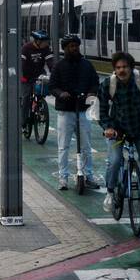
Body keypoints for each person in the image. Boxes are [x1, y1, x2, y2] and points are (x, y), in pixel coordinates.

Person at [99, 51, 140, 212]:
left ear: (131, 67)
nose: (121, 70)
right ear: (114, 69)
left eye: (125, 67)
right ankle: (110, 193)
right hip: (117, 131)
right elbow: (101, 109)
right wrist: (107, 127)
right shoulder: (108, 83)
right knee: (114, 162)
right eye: (118, 67)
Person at [48, 33, 101, 191]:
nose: (74, 48)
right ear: (65, 48)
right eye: (71, 46)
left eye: (76, 46)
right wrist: (61, 93)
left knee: (86, 146)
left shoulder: (87, 65)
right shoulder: (59, 66)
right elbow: (52, 86)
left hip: (83, 111)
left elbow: (95, 82)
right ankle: (63, 178)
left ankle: (88, 175)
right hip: (66, 111)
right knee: (63, 146)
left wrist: (91, 93)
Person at [21, 29, 52, 133]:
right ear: (37, 41)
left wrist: (54, 74)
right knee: (26, 97)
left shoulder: (46, 49)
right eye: (45, 42)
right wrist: (22, 76)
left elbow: (51, 62)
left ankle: (39, 108)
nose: (47, 43)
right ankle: (23, 123)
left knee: (42, 91)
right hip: (26, 76)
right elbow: (21, 64)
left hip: (39, 74)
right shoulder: (26, 48)